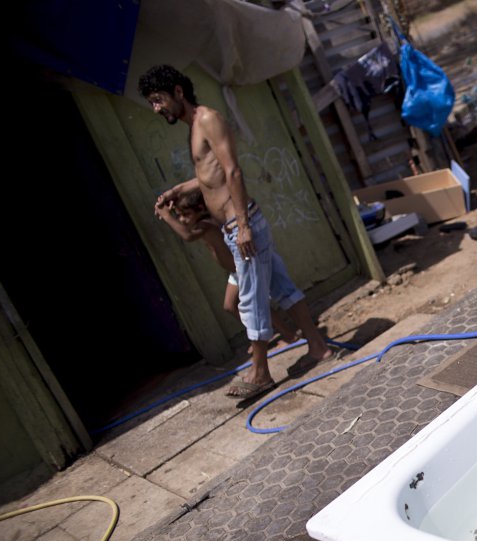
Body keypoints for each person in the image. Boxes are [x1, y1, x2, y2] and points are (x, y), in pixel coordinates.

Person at [138, 64, 332, 400]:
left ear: (178, 92)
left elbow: (233, 171)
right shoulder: (193, 127)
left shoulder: (207, 119)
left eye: (158, 100)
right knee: (282, 288)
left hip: (242, 225)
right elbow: (209, 175)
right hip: (237, 226)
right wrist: (178, 190)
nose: (157, 108)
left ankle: (260, 373)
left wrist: (242, 225)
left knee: (250, 300)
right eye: (152, 103)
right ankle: (318, 347)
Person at [154, 188, 298, 348]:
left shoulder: (206, 224)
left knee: (254, 306)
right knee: (231, 306)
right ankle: (263, 337)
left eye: (185, 215)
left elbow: (188, 236)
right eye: (178, 215)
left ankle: (287, 335)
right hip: (235, 272)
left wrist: (167, 216)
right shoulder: (202, 222)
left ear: (200, 209)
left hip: (241, 269)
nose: (182, 220)